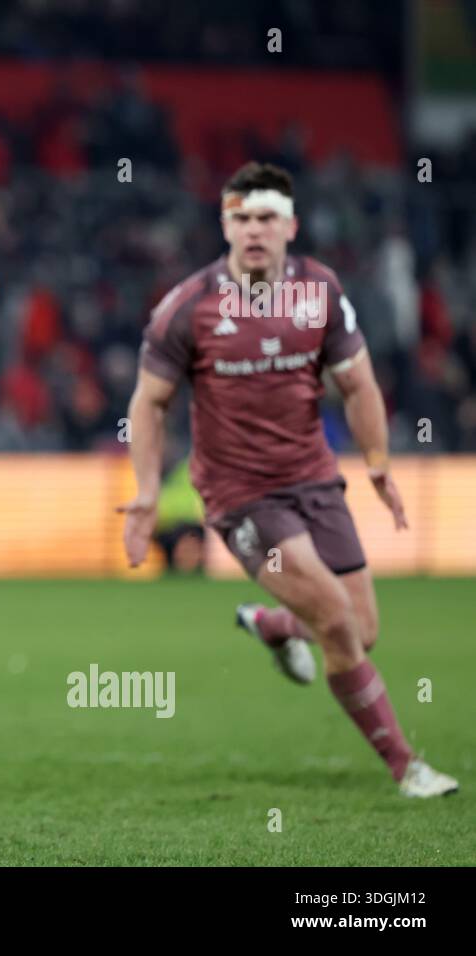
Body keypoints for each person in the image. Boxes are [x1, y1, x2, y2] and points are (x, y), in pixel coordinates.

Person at [120, 161, 457, 798]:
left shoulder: (322, 291)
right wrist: (143, 494)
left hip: (315, 480)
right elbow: (148, 402)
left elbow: (358, 384)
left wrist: (379, 462)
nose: (254, 229)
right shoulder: (187, 307)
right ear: (224, 223)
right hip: (241, 495)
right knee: (333, 614)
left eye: (267, 217)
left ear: (291, 225)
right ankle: (407, 767)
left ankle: (273, 624)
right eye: (241, 217)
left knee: (362, 629)